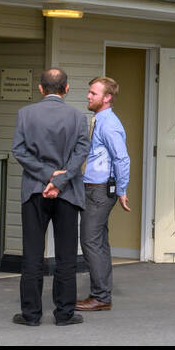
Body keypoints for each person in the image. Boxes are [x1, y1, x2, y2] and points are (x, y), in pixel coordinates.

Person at [10, 67, 90, 326]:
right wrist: (59, 180)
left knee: (32, 254)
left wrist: (47, 177)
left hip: (34, 190)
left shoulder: (25, 114)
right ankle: (64, 314)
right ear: (66, 89)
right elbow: (81, 153)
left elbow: (19, 151)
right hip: (68, 192)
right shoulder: (78, 117)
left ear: (41, 88)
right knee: (66, 255)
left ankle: (31, 314)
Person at [76, 76, 132, 312]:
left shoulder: (109, 123)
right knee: (98, 242)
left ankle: (100, 297)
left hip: (99, 191)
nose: (89, 96)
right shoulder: (99, 119)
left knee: (90, 240)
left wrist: (121, 190)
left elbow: (122, 158)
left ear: (107, 98)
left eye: (94, 93)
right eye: (89, 92)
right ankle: (102, 294)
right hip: (93, 188)